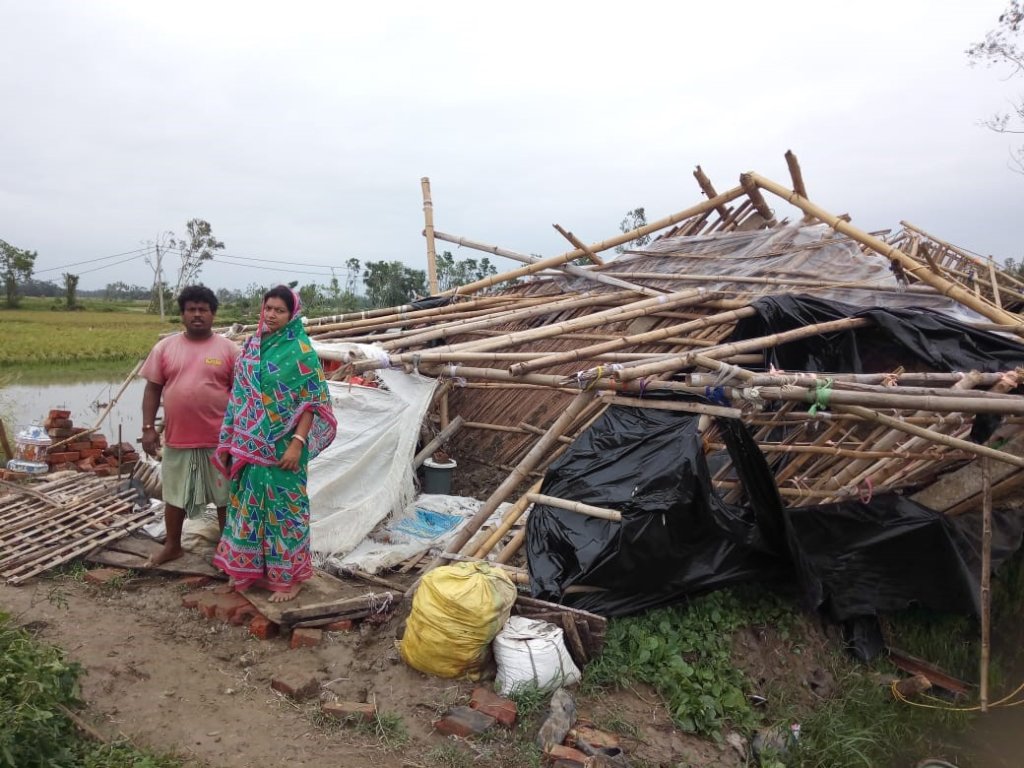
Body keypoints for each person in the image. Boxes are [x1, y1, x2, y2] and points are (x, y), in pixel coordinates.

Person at [212, 285, 337, 602]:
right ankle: (248, 569)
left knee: (286, 511)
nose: (271, 315)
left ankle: (290, 578)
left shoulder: (302, 351)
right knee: (248, 507)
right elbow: (239, 397)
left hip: (284, 447)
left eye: (279, 310)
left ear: (291, 314)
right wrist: (231, 439)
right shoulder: (252, 346)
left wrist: (297, 443)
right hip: (248, 447)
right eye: (267, 308)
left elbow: (312, 403)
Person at [140, 285, 239, 566]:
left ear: (213, 314)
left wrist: (240, 435)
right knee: (174, 495)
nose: (197, 315)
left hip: (220, 440)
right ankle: (173, 546)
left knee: (225, 497)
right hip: (178, 438)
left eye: (203, 310)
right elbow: (152, 389)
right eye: (191, 309)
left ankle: (229, 552)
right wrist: (148, 428)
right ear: (182, 314)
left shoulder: (230, 350)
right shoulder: (165, 348)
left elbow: (243, 395)